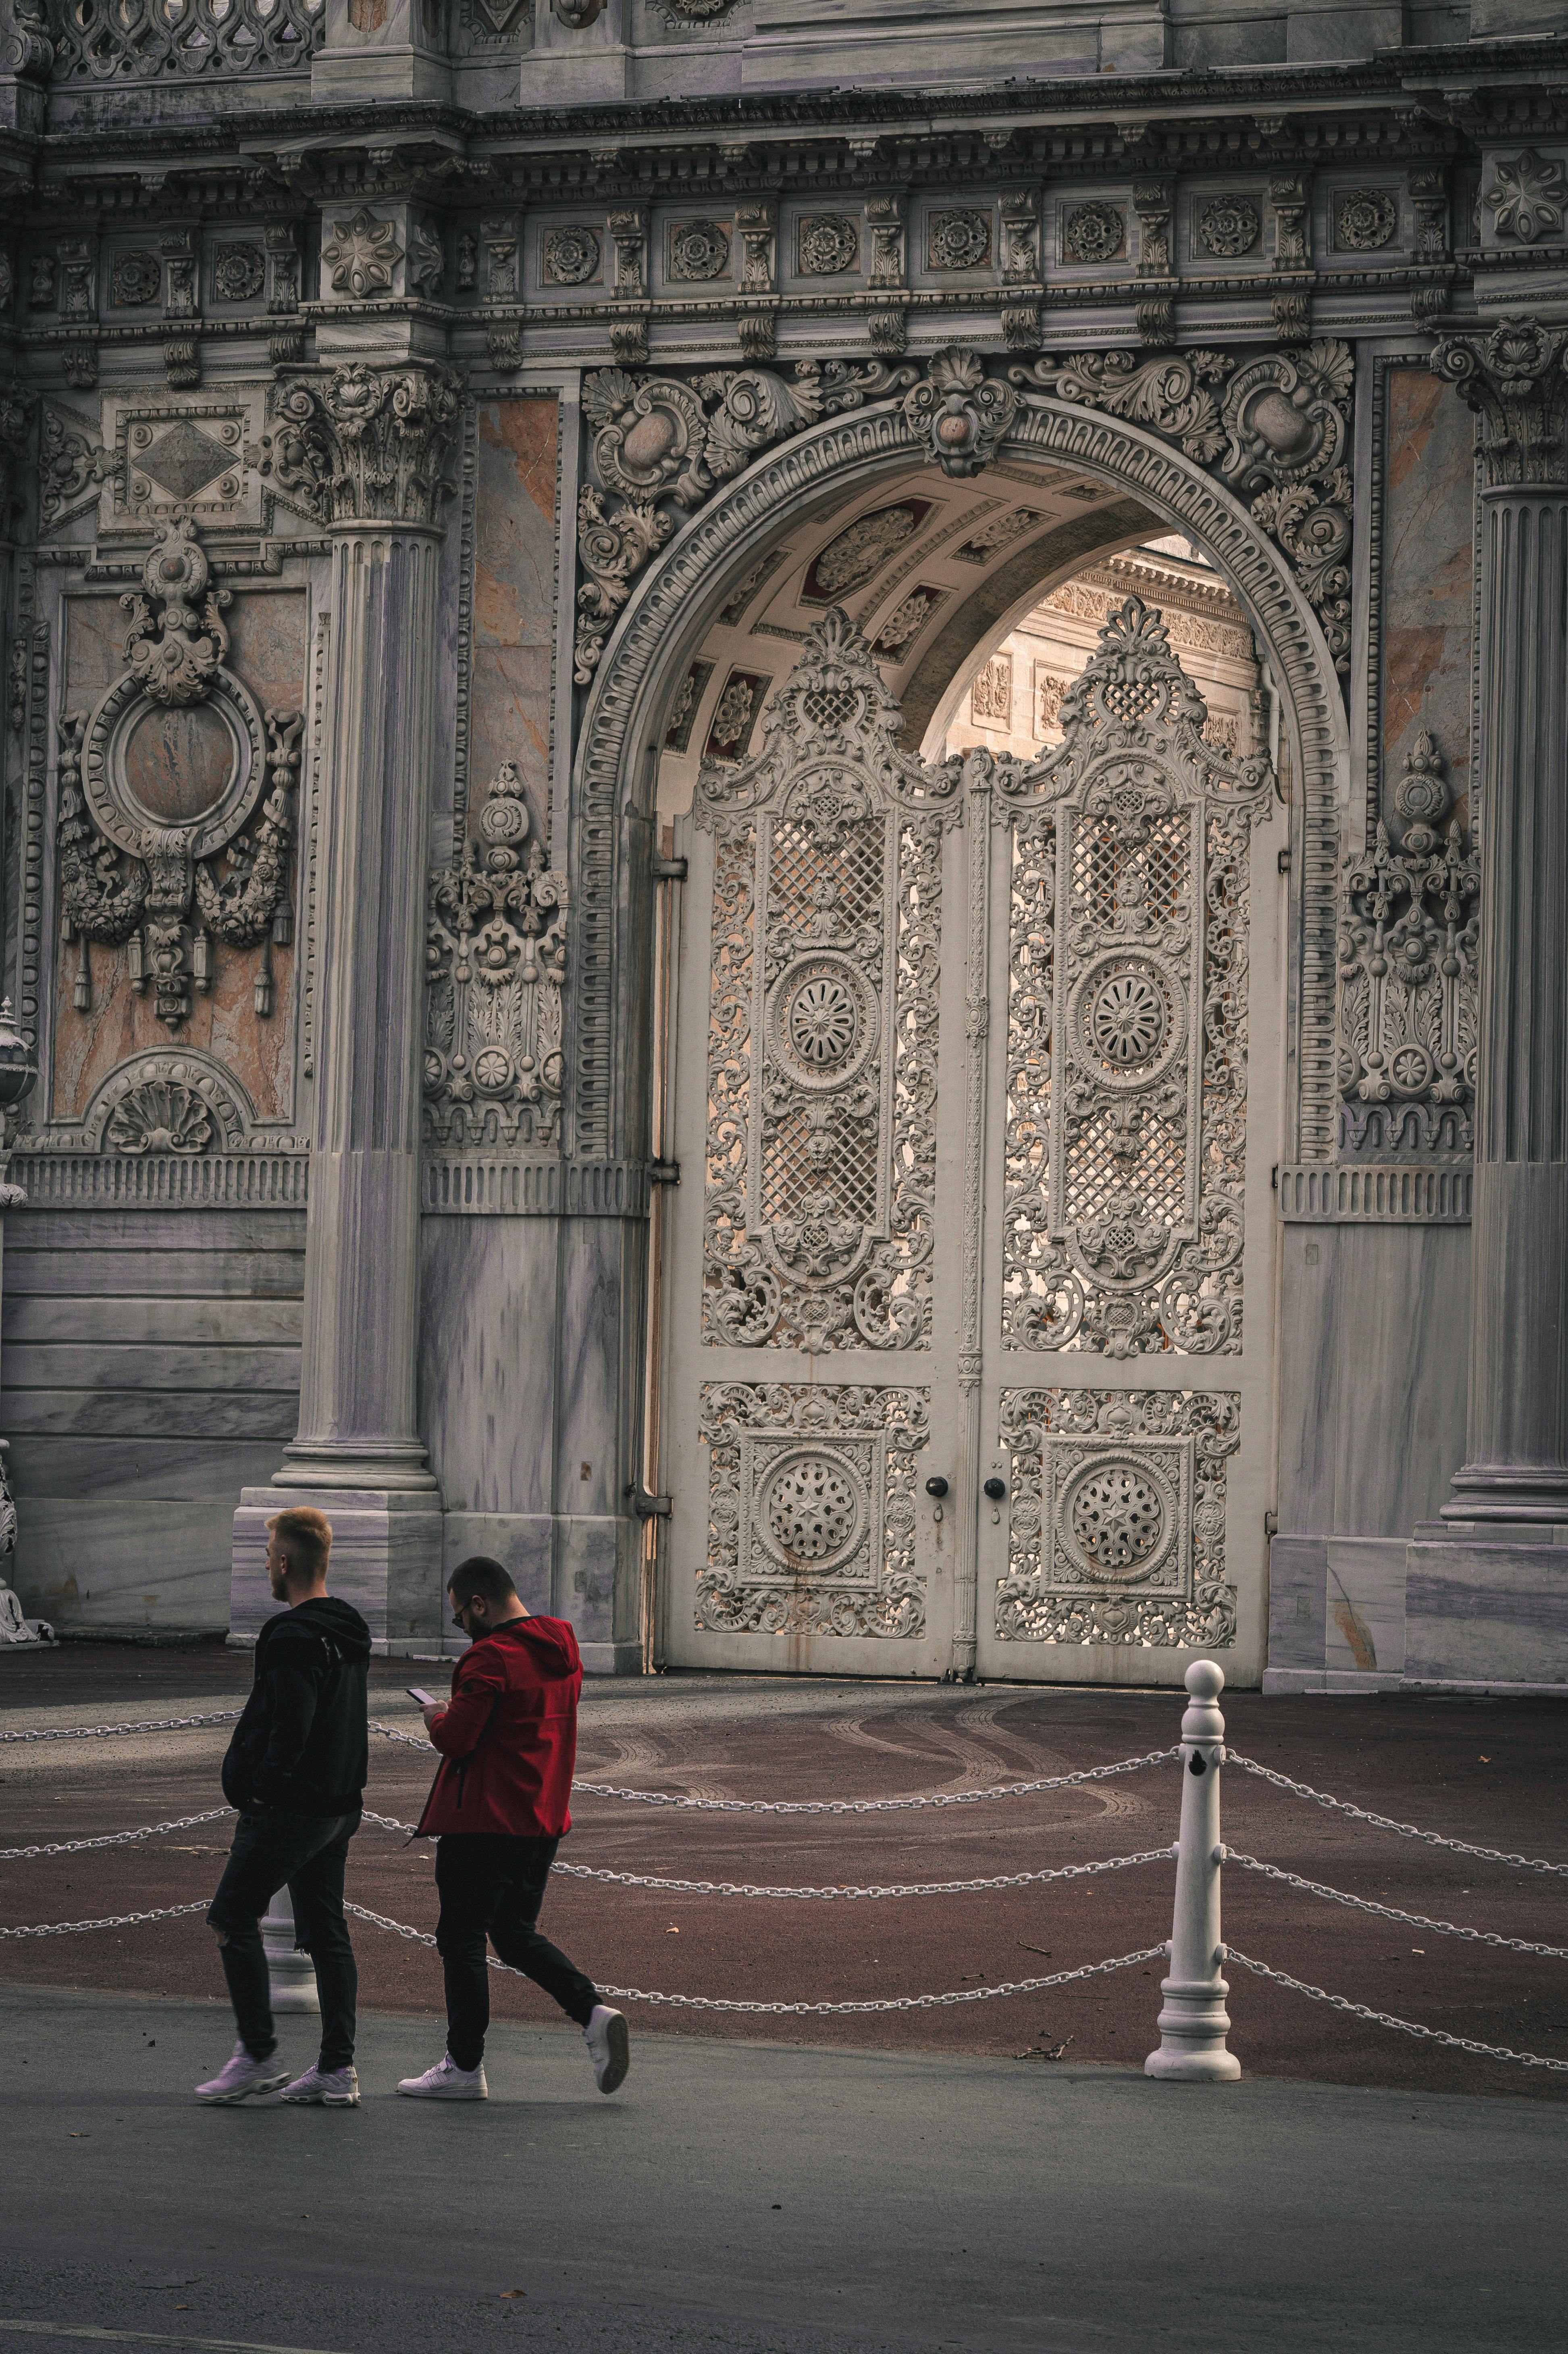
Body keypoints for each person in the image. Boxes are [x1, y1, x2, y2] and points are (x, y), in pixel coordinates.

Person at [397, 1556, 629, 2101]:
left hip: (482, 1821)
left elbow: (457, 1741)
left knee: (460, 1939)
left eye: (460, 1617)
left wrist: (436, 1716)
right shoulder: (562, 1651)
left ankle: (463, 2066)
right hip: (541, 1818)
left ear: (480, 1604)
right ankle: (591, 2013)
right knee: (515, 1935)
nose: (462, 1629)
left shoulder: (488, 1659)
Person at [196, 1507, 370, 2107]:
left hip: (291, 1810)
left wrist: (264, 1788)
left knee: (231, 1917)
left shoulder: (293, 1635)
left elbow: (288, 1725)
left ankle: (259, 2053)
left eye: (268, 1553)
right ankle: (335, 2068)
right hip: (339, 1806)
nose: (265, 1563)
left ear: (286, 1562)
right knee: (327, 1932)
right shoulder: (346, 1627)